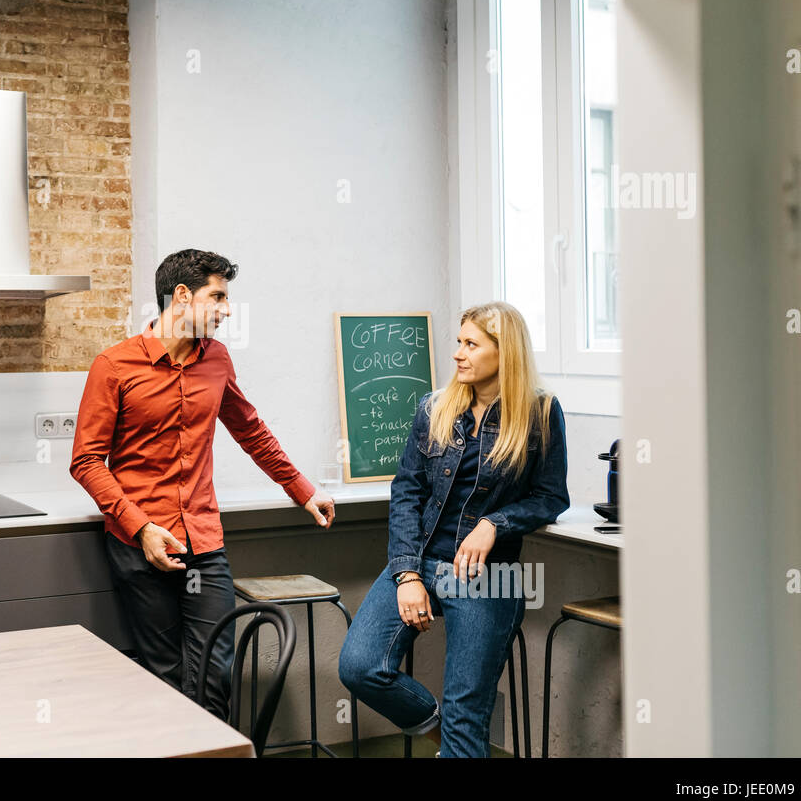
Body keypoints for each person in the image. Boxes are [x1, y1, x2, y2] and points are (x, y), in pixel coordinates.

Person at [70, 248, 335, 720]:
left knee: (216, 671)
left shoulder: (216, 359)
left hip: (203, 539)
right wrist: (141, 528)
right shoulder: (114, 366)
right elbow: (87, 461)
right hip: (140, 544)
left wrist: (302, 489)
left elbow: (249, 428)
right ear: (182, 296)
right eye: (218, 297)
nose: (226, 310)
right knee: (165, 674)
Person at [338, 301, 569, 757]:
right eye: (458, 342)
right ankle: (442, 733)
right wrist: (407, 575)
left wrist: (494, 524)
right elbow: (406, 492)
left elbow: (551, 497)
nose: (458, 354)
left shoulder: (541, 413)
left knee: (467, 710)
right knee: (360, 666)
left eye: (471, 344)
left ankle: (461, 739)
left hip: (488, 575)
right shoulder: (434, 408)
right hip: (421, 561)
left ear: (506, 354)